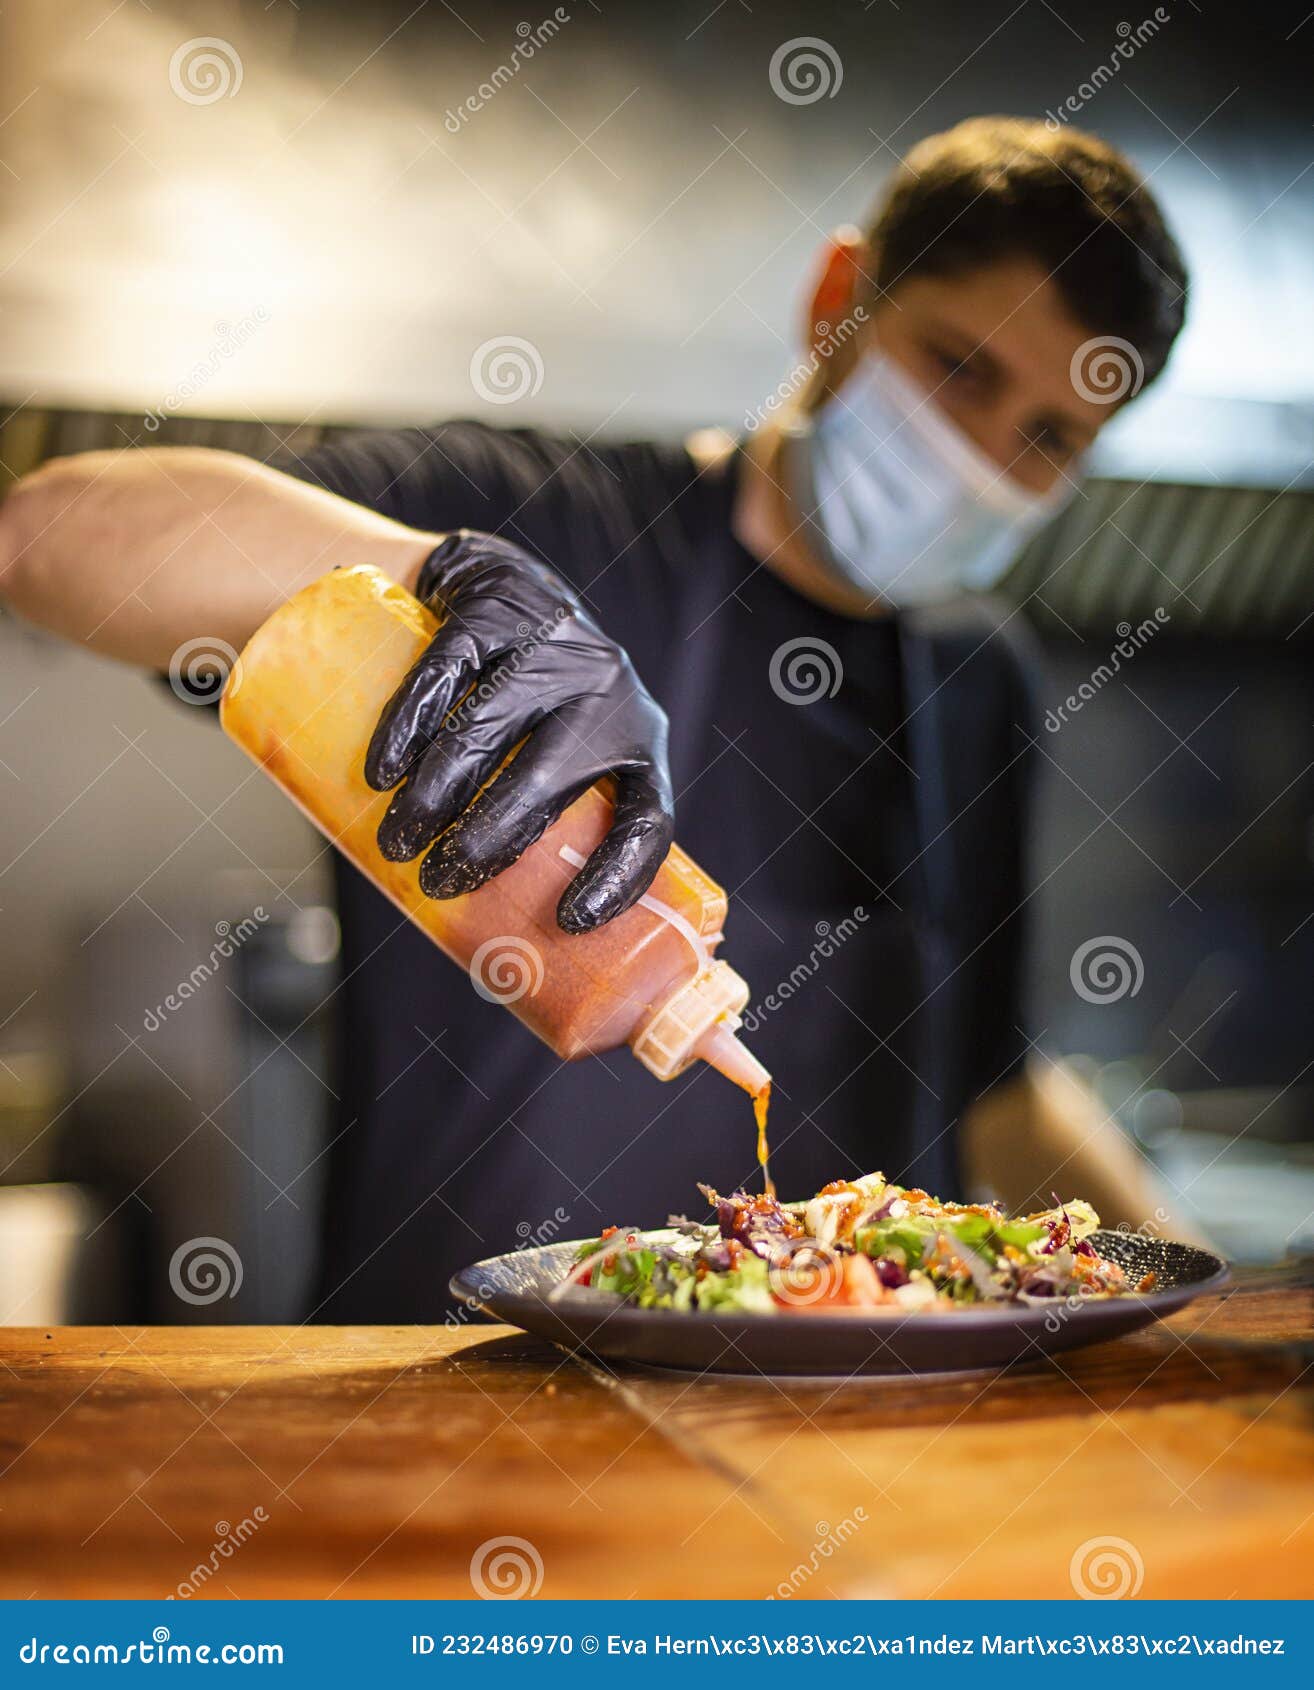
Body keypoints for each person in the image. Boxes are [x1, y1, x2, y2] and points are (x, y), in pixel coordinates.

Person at [0, 118, 1190, 1318]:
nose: (979, 455)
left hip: (849, 1442)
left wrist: (1229, 1315)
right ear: (841, 298)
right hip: (453, 1408)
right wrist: (435, 576)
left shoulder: (978, 681)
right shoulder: (540, 521)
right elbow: (45, 538)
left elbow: (993, 1089)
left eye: (1048, 438)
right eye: (958, 367)